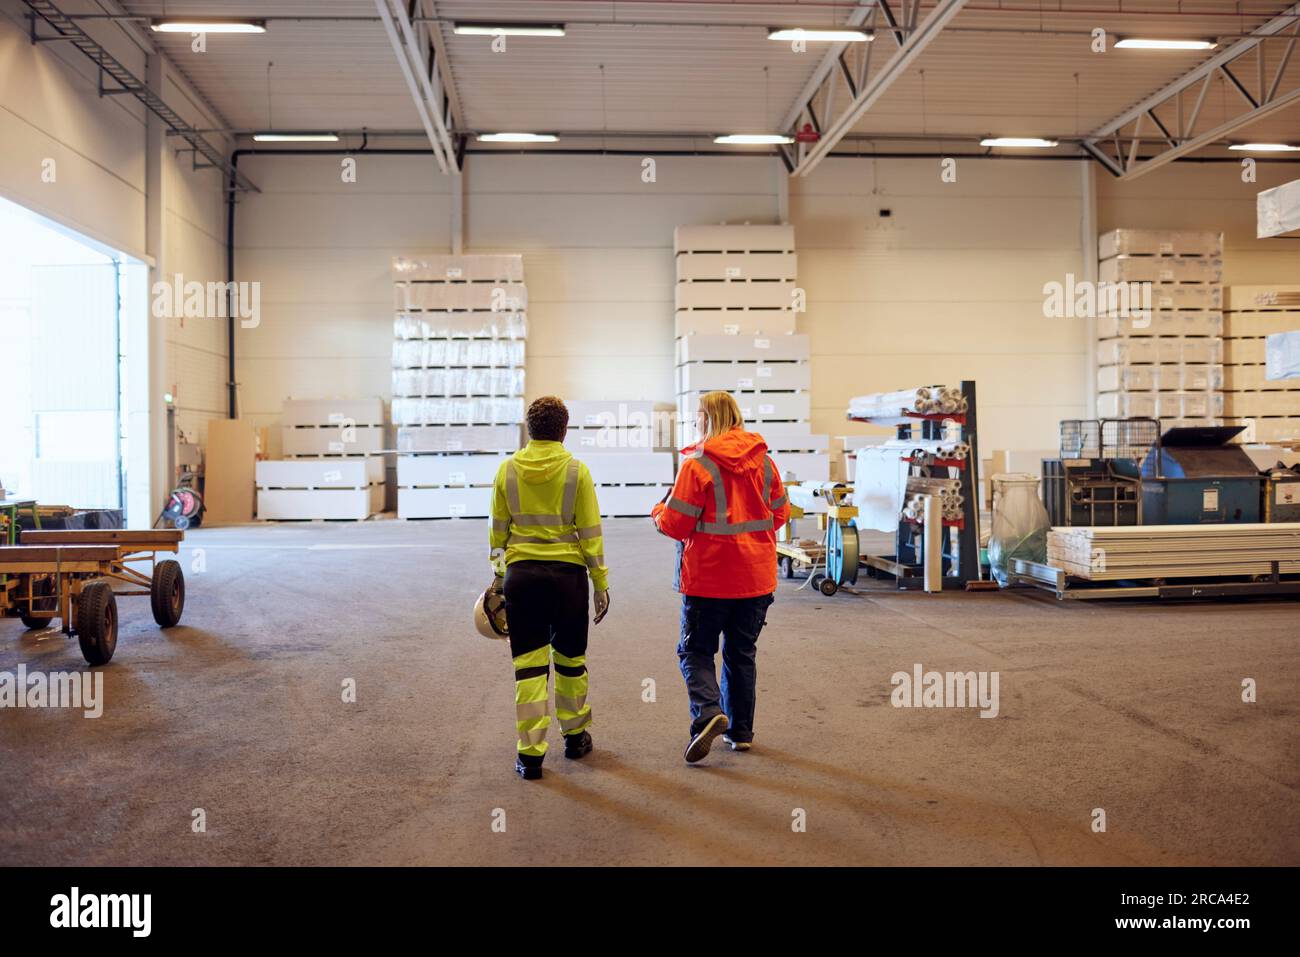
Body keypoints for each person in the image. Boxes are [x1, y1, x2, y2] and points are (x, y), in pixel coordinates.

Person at [652, 391, 789, 764]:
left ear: (708, 418)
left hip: (709, 580)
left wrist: (657, 512)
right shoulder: (765, 464)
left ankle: (709, 713)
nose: (694, 421)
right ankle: (740, 732)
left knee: (695, 651)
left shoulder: (697, 466)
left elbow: (676, 525)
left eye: (697, 415)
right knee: (741, 653)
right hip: (756, 580)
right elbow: (780, 515)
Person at [490, 396, 611, 781]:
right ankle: (575, 738)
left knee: (529, 667)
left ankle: (530, 757)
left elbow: (497, 532)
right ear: (564, 430)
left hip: (522, 578)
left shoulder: (506, 471)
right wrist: (600, 583)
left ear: (529, 429)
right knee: (571, 659)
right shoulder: (577, 471)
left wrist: (497, 575)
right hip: (568, 578)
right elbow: (591, 532)